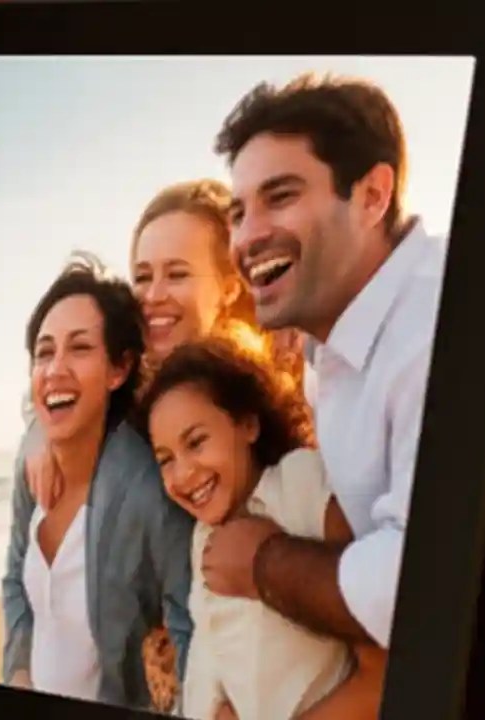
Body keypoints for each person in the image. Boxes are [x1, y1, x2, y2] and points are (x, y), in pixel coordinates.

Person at [199, 72, 447, 706]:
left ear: (372, 195)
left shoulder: (437, 324)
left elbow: (421, 590)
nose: (248, 237)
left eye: (280, 196)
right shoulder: (326, 349)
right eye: (238, 213)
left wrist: (262, 564)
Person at [22, 180, 307, 711]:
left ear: (229, 286)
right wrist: (46, 436)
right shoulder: (136, 388)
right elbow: (65, 382)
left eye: (176, 274)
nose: (153, 295)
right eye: (142, 276)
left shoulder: (267, 385)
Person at [144, 339, 383, 720]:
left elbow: (381, 673)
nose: (183, 474)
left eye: (197, 442)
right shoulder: (202, 536)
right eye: (165, 460)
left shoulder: (300, 484)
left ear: (248, 425)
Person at [1, 255, 195, 711]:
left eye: (80, 348)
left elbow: (192, 630)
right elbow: (14, 582)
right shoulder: (31, 464)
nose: (55, 369)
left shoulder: (149, 490)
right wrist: (18, 674)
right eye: (44, 352)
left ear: (119, 369)